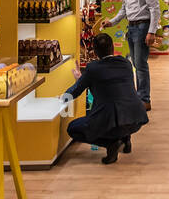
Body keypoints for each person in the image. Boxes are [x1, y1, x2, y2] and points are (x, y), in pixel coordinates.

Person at [61, 34, 149, 164]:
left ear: (95, 51)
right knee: (120, 106)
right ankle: (125, 140)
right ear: (112, 47)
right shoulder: (126, 63)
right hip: (136, 118)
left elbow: (75, 91)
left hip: (110, 120)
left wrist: (63, 97)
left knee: (72, 128)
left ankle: (110, 144)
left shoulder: (93, 68)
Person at [98, 0, 159, 111]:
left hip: (142, 27)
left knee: (140, 65)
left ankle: (144, 100)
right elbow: (124, 9)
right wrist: (111, 22)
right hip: (131, 28)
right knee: (135, 64)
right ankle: (138, 98)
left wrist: (151, 31)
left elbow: (154, 8)